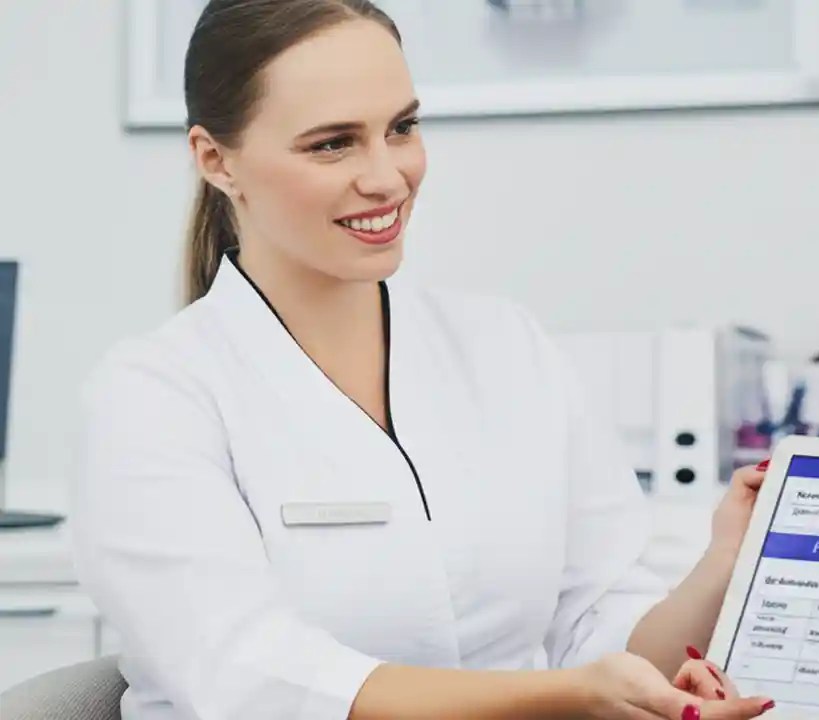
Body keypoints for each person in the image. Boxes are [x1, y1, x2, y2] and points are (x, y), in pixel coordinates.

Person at [69, 2, 775, 719]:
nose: (388, 177)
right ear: (216, 160)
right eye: (332, 144)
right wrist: (565, 695)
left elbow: (606, 630)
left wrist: (726, 561)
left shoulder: (507, 347)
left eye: (401, 128)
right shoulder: (153, 398)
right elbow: (255, 677)